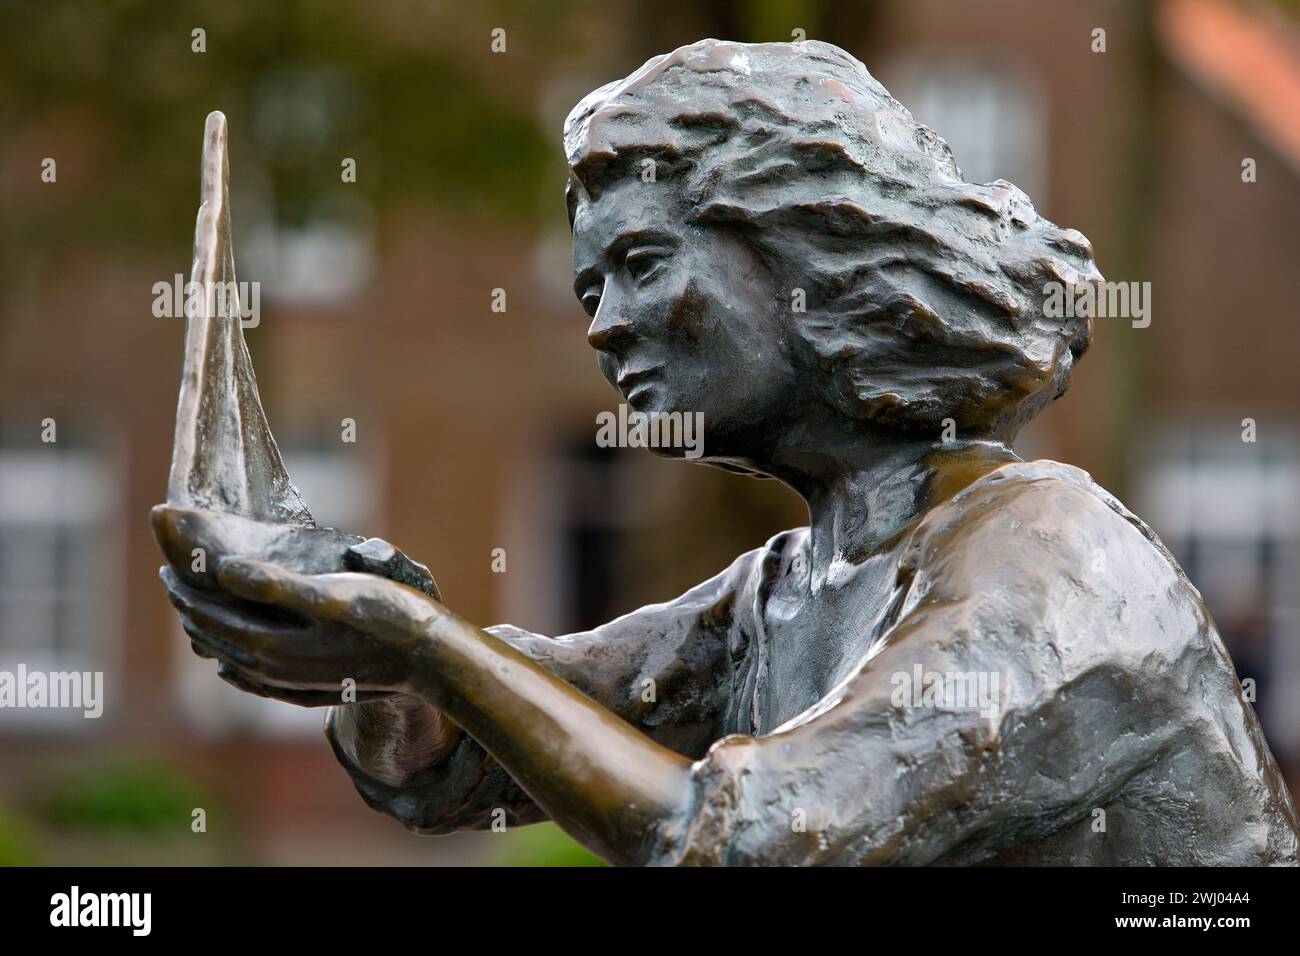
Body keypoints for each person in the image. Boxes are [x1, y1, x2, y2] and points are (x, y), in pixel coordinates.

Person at [154, 39, 1300, 865]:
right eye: (589, 288)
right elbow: (458, 761)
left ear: (809, 252)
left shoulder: (1060, 562)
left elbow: (740, 841)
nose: (603, 322)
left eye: (645, 264)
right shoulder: (790, 587)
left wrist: (420, 641)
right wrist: (374, 653)